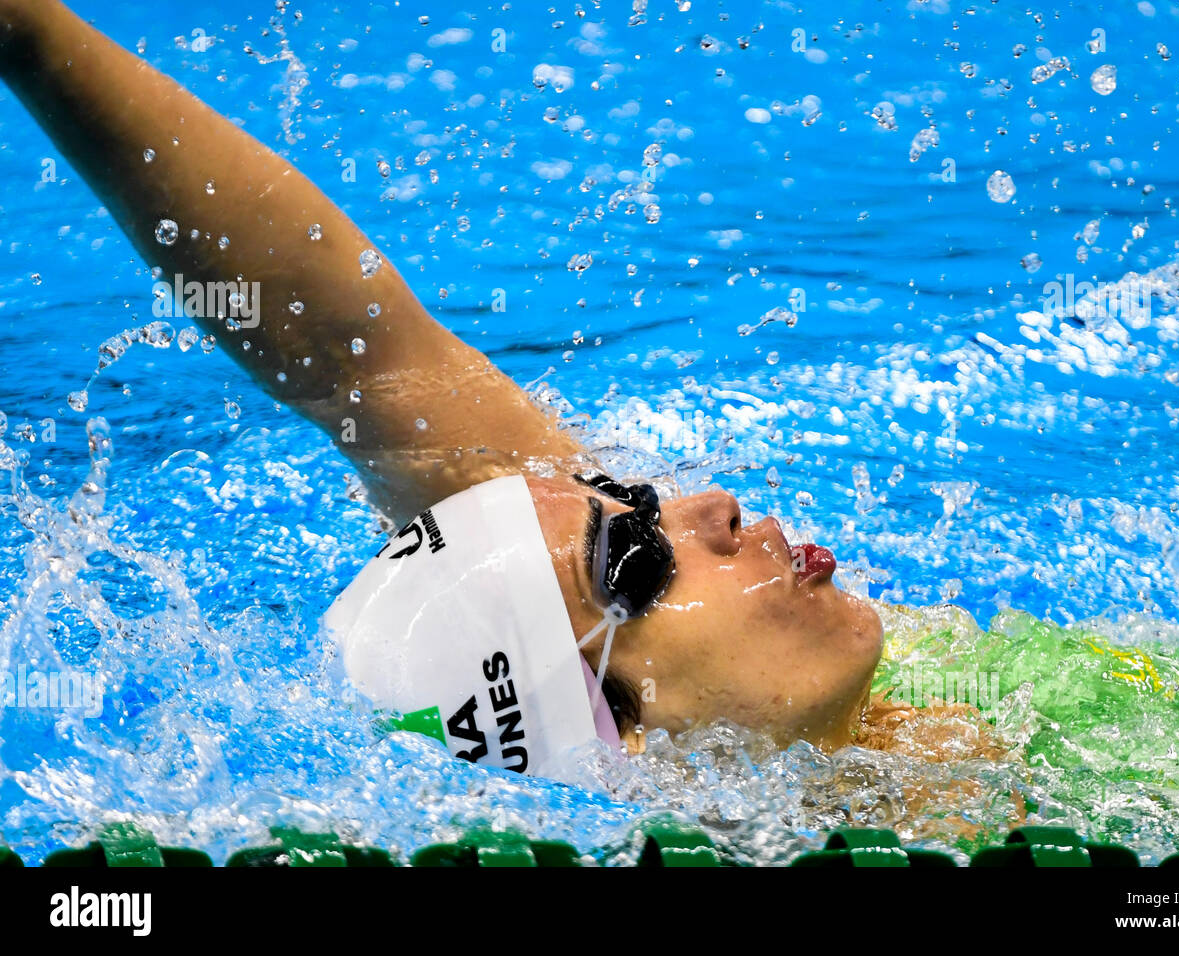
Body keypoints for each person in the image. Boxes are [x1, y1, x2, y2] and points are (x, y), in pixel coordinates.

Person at [0, 0, 885, 775]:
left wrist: (29, 31)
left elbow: (360, 365)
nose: (714, 506)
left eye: (643, 506)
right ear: (623, 735)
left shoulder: (915, 691)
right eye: (639, 564)